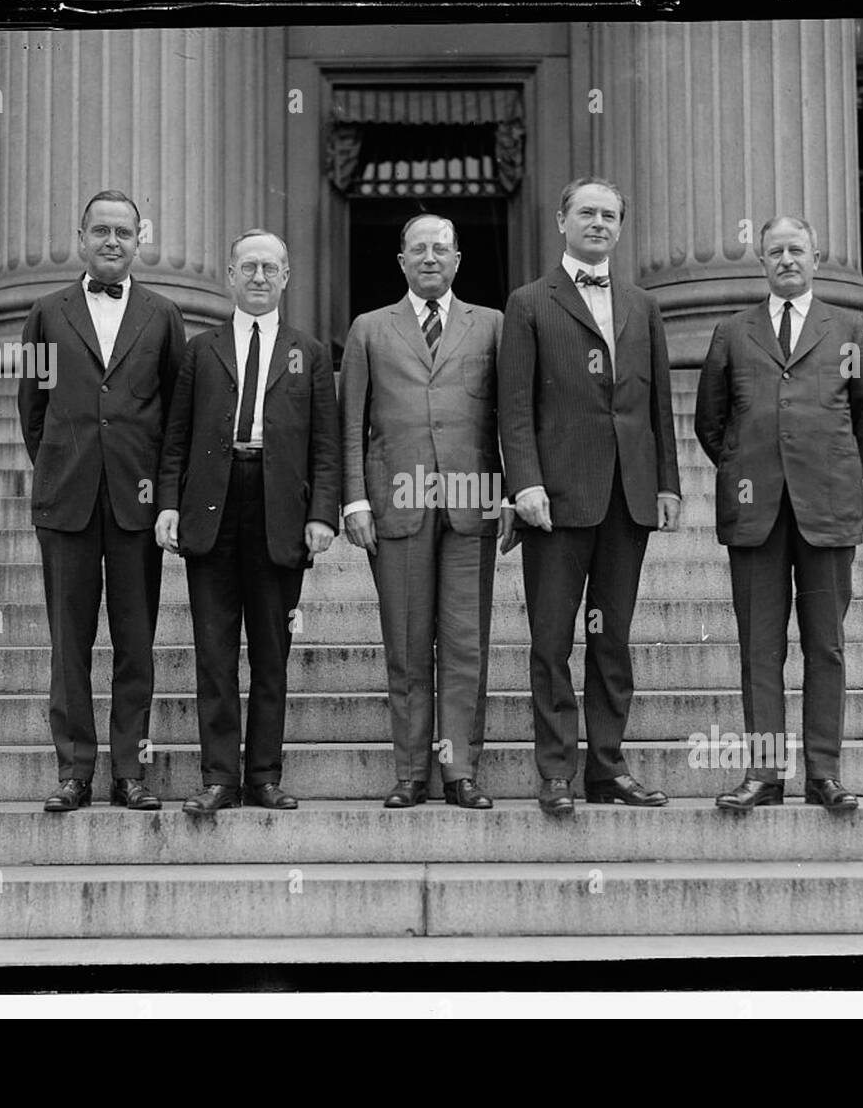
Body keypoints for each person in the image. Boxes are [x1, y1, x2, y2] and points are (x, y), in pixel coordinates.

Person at [497, 177, 681, 817]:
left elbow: (657, 401)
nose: (598, 223)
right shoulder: (528, 303)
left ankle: (607, 768)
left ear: (620, 228)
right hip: (556, 500)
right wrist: (524, 483)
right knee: (551, 641)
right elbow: (514, 405)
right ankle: (555, 773)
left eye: (609, 215)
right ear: (561, 221)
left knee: (613, 640)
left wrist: (667, 483)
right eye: (586, 213)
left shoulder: (643, 304)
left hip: (627, 497)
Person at [694, 215, 863, 813]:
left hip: (825, 510)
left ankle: (824, 773)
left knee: (825, 646)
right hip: (755, 512)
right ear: (761, 261)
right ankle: (763, 774)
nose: (785, 260)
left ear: (816, 255)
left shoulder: (852, 328)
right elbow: (711, 421)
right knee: (760, 648)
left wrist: (829, 476)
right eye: (774, 251)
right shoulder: (732, 331)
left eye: (796, 250)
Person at [156, 230, 340, 814]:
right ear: (229, 277)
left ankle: (263, 775)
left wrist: (322, 515)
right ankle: (218, 778)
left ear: (286, 277)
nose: (259, 277)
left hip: (280, 507)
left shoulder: (308, 352)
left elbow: (326, 446)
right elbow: (175, 437)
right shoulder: (200, 350)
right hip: (212, 505)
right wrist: (167, 504)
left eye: (270, 268)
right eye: (248, 268)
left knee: (270, 649)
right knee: (213, 652)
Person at [17, 189, 187, 812]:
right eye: (100, 231)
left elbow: (175, 415)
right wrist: (64, 467)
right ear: (81, 238)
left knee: (135, 645)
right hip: (67, 502)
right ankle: (74, 772)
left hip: (136, 503)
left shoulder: (165, 314)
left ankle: (129, 773)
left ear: (140, 239)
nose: (111, 241)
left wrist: (160, 493)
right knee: (70, 643)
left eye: (123, 232)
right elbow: (32, 408)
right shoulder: (45, 311)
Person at [338, 214, 510, 809]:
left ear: (458, 260)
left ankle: (459, 768)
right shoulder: (369, 329)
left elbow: (509, 415)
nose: (430, 257)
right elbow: (350, 423)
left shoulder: (492, 326)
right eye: (419, 249)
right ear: (402, 261)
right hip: (396, 502)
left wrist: (512, 489)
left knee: (465, 644)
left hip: (473, 502)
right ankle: (412, 770)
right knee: (407, 644)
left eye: (441, 248)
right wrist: (355, 498)